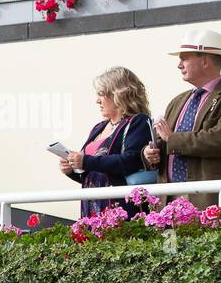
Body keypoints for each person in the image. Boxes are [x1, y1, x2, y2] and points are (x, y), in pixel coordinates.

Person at [142, 28, 221, 209]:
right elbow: (163, 141)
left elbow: (217, 139)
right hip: (168, 201)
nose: (179, 65)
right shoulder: (178, 101)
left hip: (206, 200)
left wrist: (172, 139)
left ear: (205, 60)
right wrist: (150, 153)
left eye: (184, 58)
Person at [59, 66, 152, 217]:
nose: (97, 100)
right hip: (91, 211)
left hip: (120, 212)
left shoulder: (138, 121)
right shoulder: (99, 127)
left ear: (119, 94)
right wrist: (72, 170)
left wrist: (85, 161)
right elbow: (90, 175)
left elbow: (131, 161)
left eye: (101, 94)